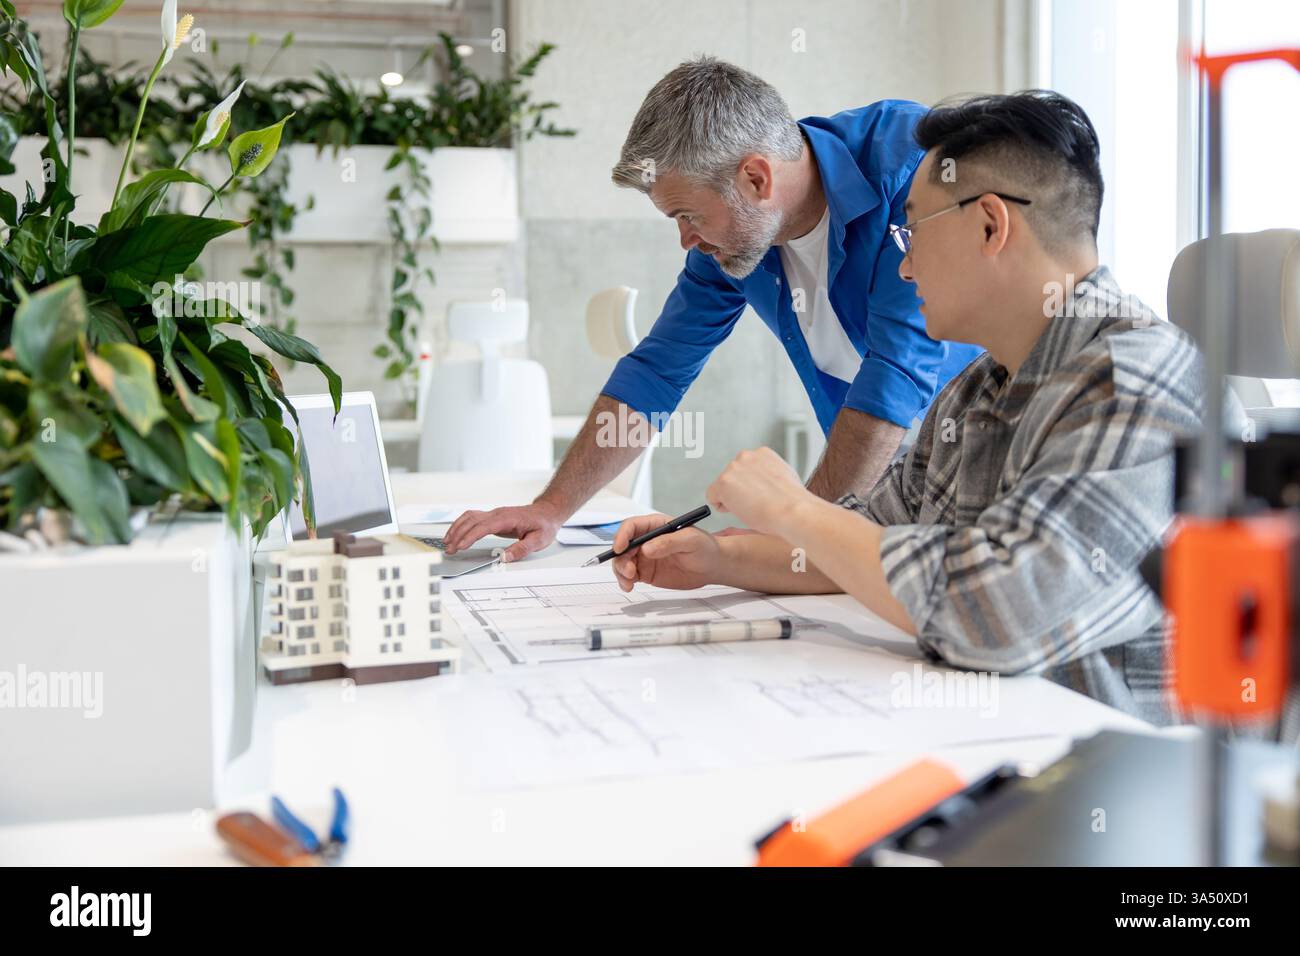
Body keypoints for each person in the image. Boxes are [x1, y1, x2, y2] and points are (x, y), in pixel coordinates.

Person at [607, 90, 1204, 724]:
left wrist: (791, 508)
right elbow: (869, 536)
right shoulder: (976, 391)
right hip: (994, 743)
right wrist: (718, 558)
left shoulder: (1135, 379)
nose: (906, 265)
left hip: (1109, 772)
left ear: (990, 225)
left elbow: (997, 614)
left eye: (911, 230)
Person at [445, 57, 980, 561]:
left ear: (756, 178)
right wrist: (551, 509)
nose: (685, 240)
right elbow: (657, 370)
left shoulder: (910, 169)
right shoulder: (732, 245)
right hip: (881, 496)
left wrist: (787, 537)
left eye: (687, 215)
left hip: (984, 471)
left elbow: (895, 371)